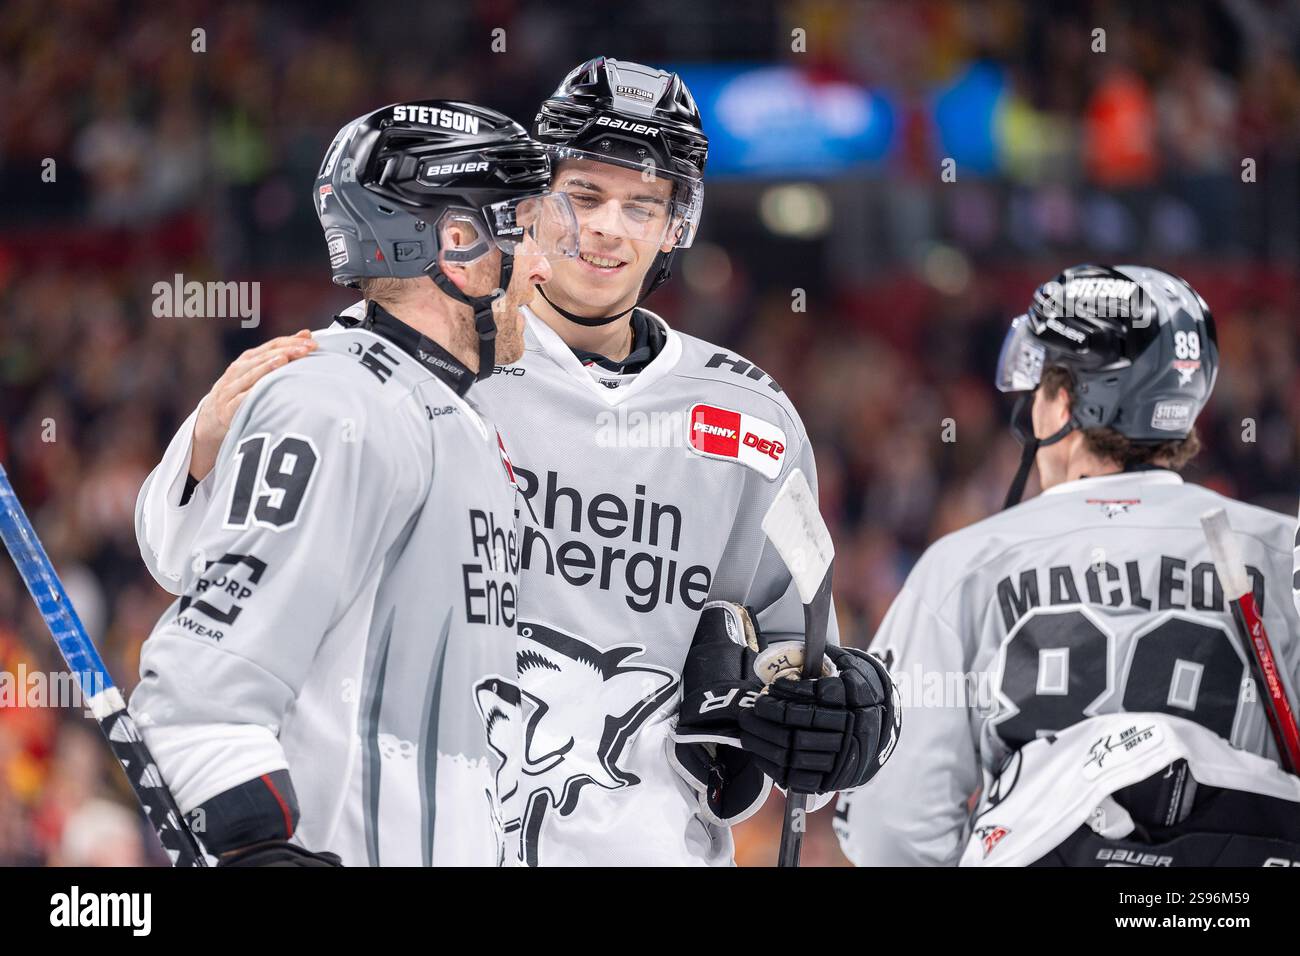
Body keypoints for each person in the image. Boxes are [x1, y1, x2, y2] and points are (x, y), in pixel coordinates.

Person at [135, 58, 898, 866]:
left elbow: (791, 656)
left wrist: (840, 717)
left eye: (642, 205)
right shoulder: (407, 360)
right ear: (531, 206)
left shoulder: (752, 420)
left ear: (677, 225)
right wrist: (203, 449)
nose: (607, 229)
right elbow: (184, 561)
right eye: (583, 197)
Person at [130, 100, 580, 866]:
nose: (542, 266)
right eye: (525, 229)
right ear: (456, 242)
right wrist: (249, 844)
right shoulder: (339, 400)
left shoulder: (455, 412)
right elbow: (202, 680)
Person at [835, 264, 1300, 867]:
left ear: (1065, 401)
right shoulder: (1281, 549)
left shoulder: (966, 565)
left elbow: (891, 828)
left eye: (1040, 388)